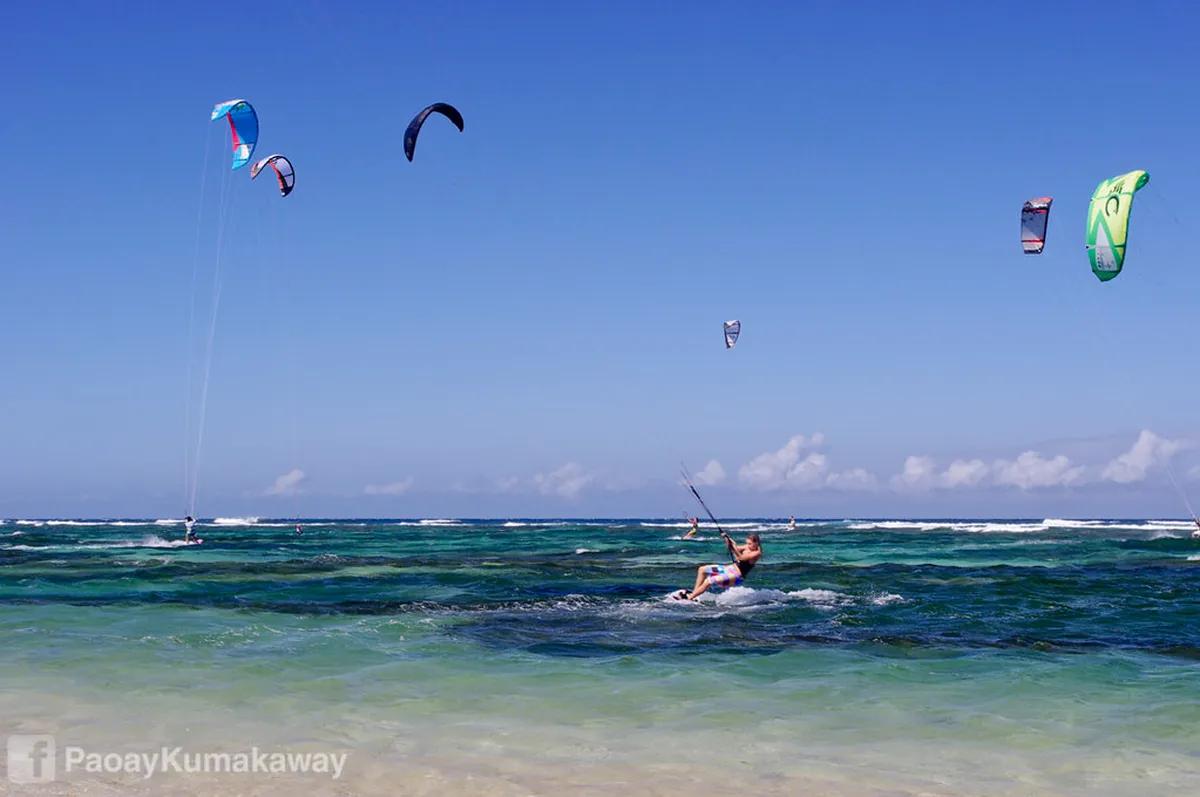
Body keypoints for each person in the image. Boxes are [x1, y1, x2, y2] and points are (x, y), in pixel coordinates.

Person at [676, 532, 762, 601]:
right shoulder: (748, 547)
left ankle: (690, 597)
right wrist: (728, 539)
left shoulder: (757, 553)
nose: (748, 545)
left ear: (756, 543)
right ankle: (694, 593)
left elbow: (740, 557)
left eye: (750, 544)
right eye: (747, 543)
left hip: (736, 576)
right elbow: (734, 548)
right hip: (729, 568)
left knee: (709, 581)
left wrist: (733, 545)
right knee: (702, 569)